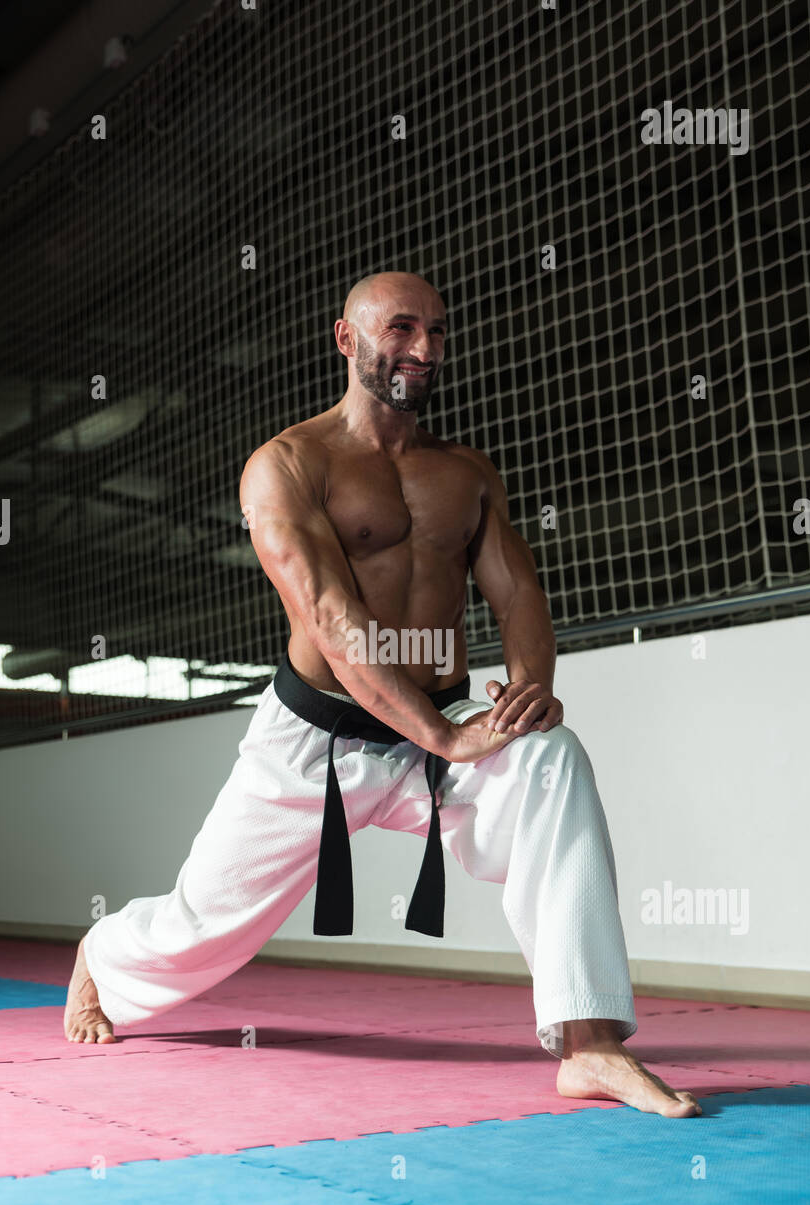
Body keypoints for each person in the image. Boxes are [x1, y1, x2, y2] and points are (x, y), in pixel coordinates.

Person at [65, 270, 701, 1119]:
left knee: (552, 758)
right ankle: (103, 957)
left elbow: (516, 594)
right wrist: (443, 734)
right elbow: (331, 618)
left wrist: (528, 692)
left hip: (436, 737)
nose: (424, 348)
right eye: (401, 329)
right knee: (203, 926)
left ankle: (589, 1044)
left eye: (437, 331)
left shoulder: (465, 472)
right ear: (347, 340)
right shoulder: (287, 465)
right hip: (314, 740)